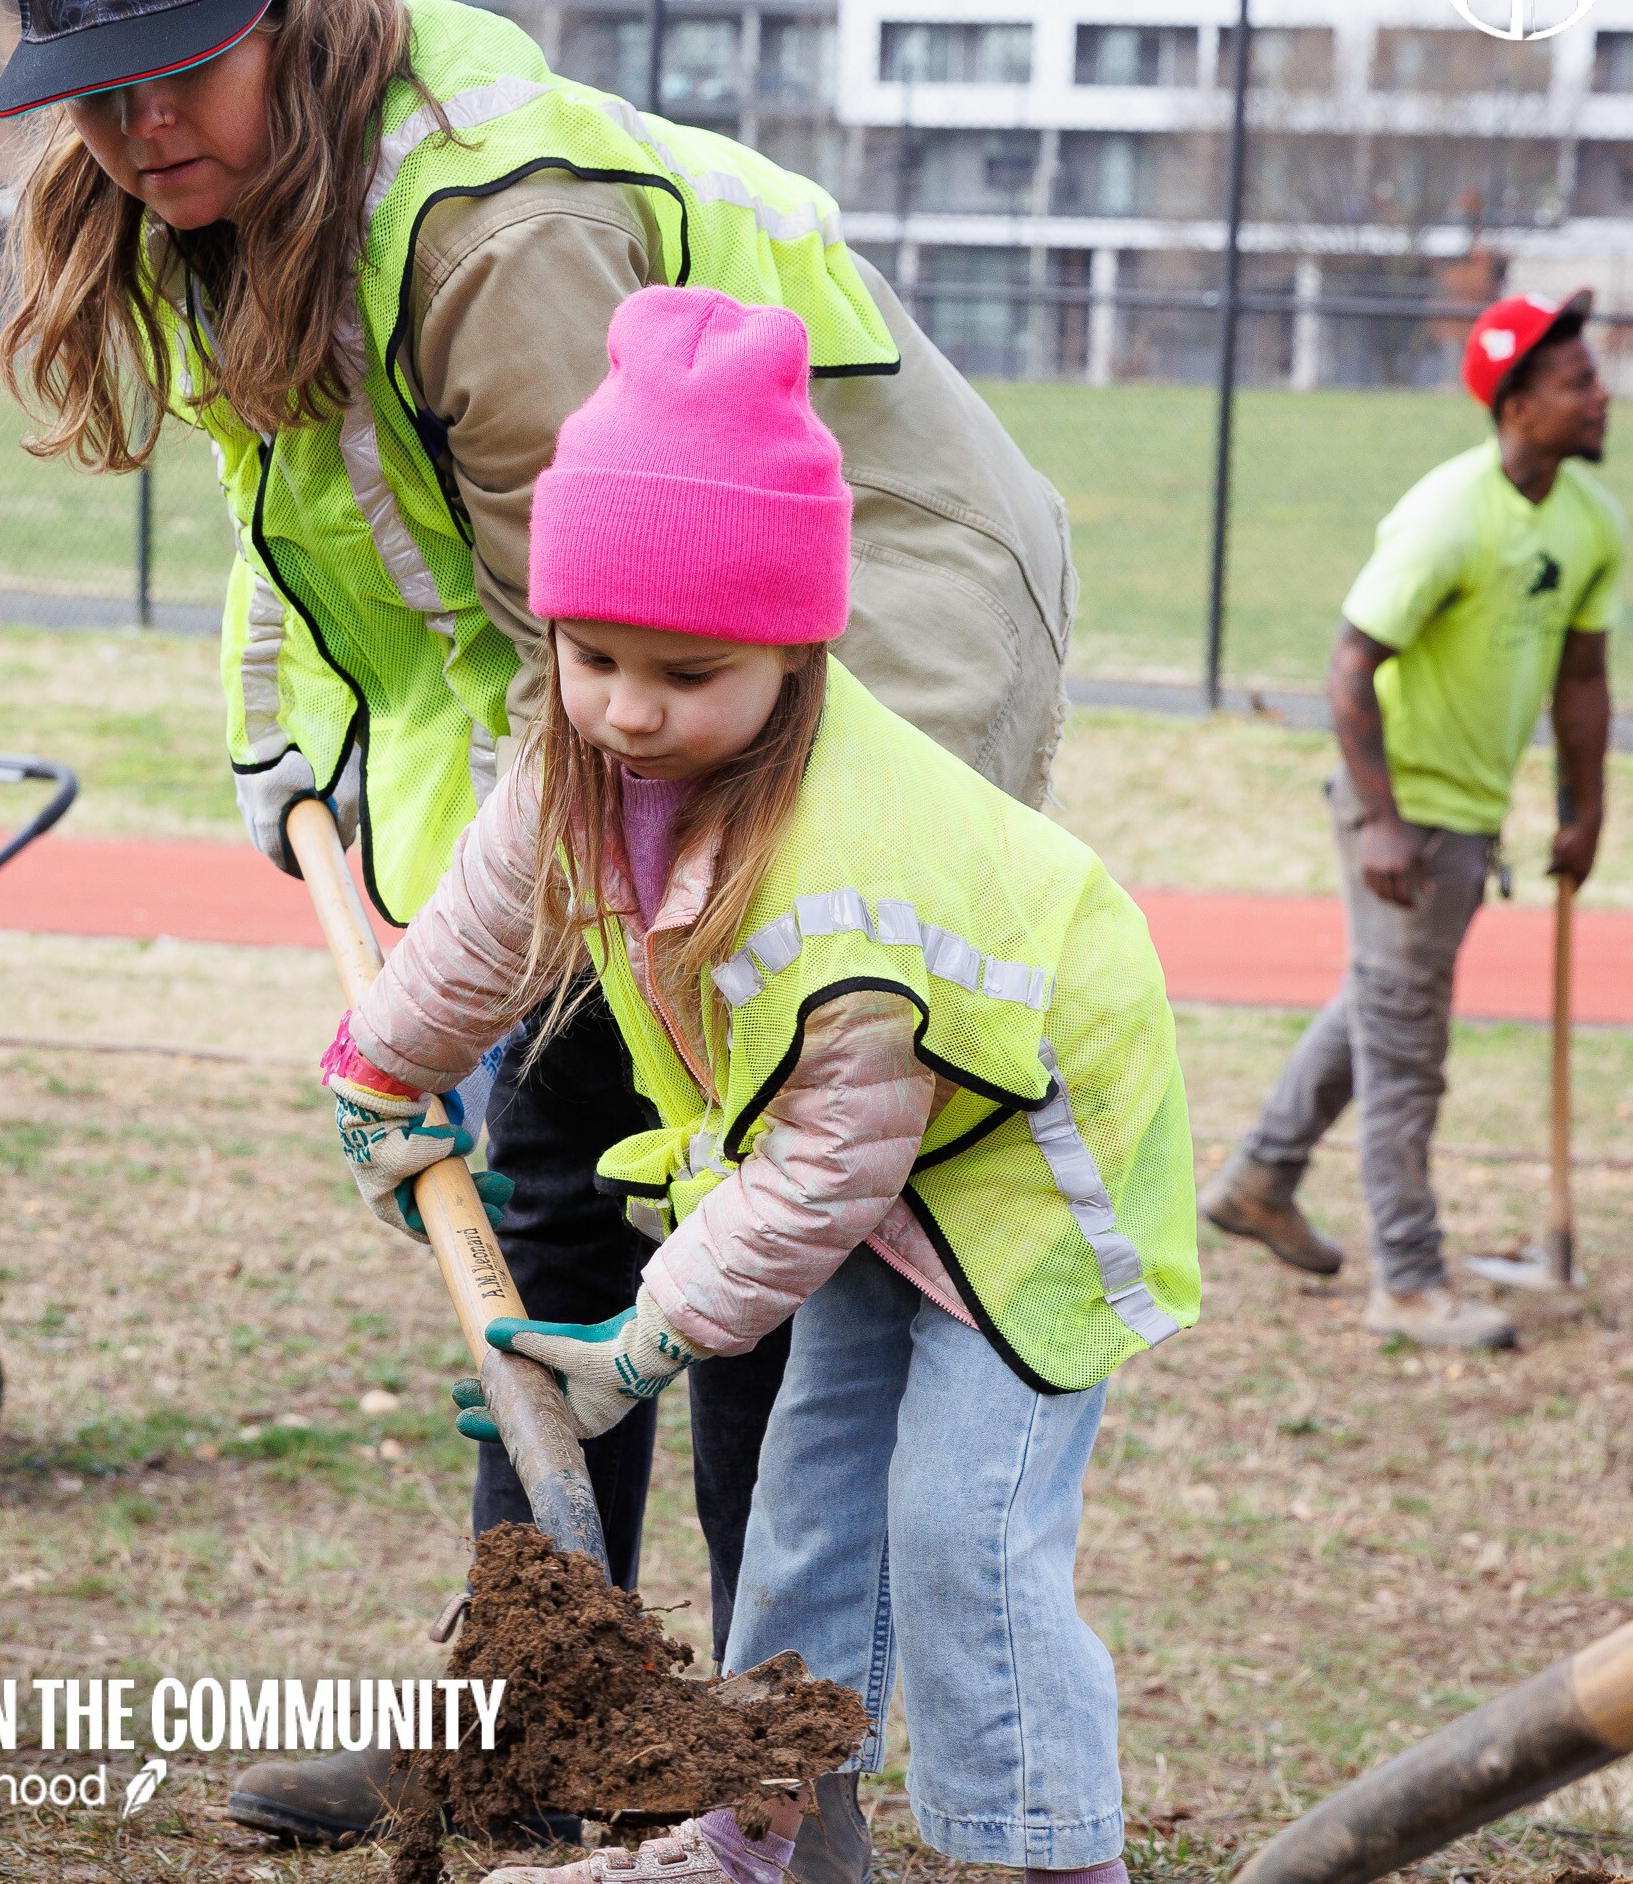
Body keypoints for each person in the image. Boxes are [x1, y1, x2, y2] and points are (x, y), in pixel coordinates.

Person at [0, 0, 1073, 1858]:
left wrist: (445, 1006)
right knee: (559, 1173)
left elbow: (606, 668)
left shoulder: (490, 235)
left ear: (286, 13)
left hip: (854, 615)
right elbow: (304, 543)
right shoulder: (220, 204)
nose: (140, 129)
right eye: (99, 88)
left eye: (180, 72)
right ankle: (522, 1730)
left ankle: (774, 1778)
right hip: (604, 672)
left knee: (747, 1196)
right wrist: (282, 753)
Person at [325, 286, 1200, 1884]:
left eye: (685, 671)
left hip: (1031, 1166)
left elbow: (818, 1175)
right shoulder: (597, 756)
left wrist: (644, 1342)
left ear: (794, 653)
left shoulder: (845, 889)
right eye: (591, 656)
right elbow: (487, 914)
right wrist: (387, 1066)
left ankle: (1061, 1861)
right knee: (806, 1505)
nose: (628, 710)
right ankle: (748, 1837)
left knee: (959, 1532)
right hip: (891, 1150)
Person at [1199, 290, 1622, 1351]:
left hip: (1468, 816)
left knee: (1381, 1005)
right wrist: (1379, 822)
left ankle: (1258, 1177)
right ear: (1515, 405)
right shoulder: (1446, 513)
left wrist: (1583, 808)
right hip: (1399, 815)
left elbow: (1580, 678)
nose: (1601, 393)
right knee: (1405, 1045)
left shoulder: (1588, 521)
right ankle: (1409, 1277)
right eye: (1576, 382)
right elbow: (1349, 665)